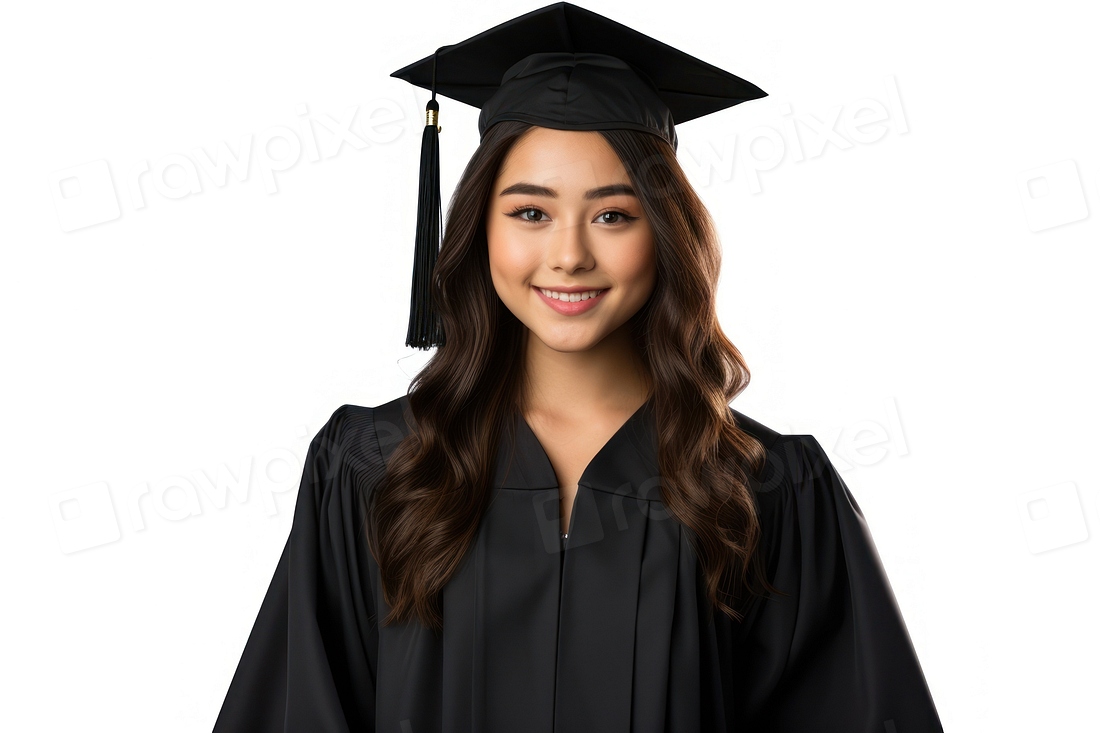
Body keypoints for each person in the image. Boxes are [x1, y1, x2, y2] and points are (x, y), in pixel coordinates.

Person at [211, 3, 945, 731]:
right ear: (477, 230)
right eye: (530, 212)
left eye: (613, 214)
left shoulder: (770, 487)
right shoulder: (372, 467)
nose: (569, 255)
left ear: (665, 234)